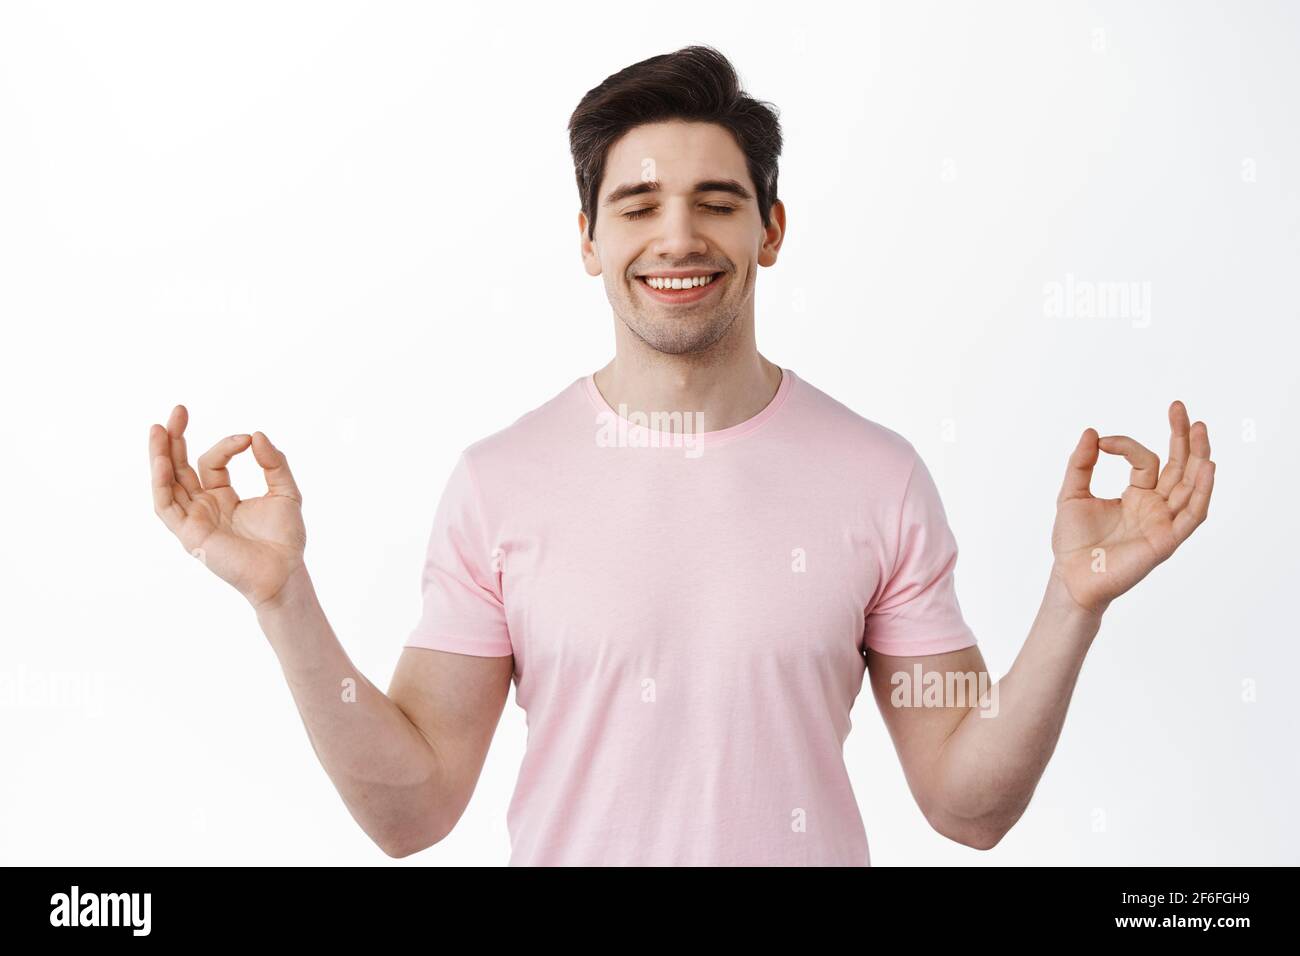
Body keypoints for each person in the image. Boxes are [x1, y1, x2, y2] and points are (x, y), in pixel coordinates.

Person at [147, 45, 1216, 866]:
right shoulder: (498, 484)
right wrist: (281, 597)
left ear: (771, 229)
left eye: (716, 202)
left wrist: (1073, 602)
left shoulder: (877, 478)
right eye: (638, 204)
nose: (678, 238)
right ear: (587, 241)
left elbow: (965, 802)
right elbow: (411, 809)